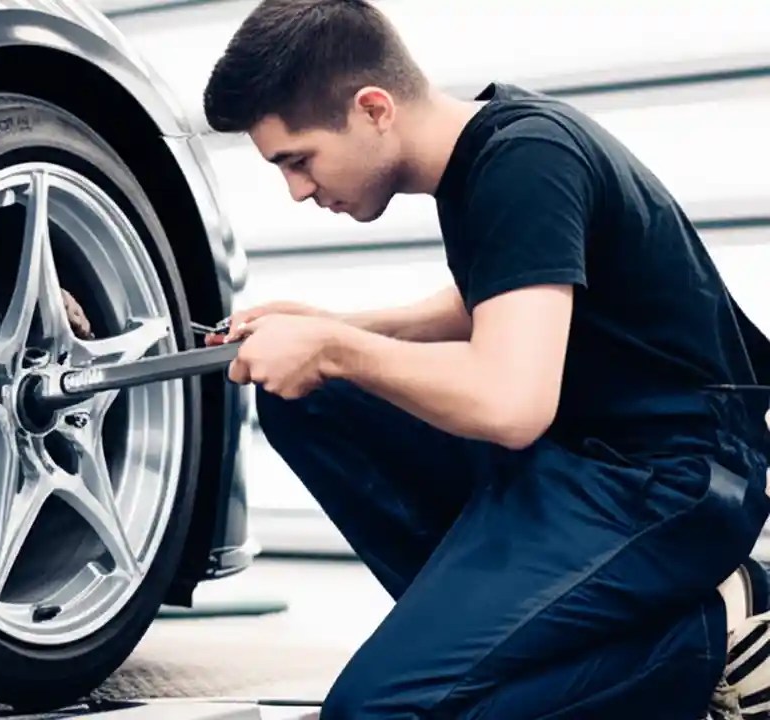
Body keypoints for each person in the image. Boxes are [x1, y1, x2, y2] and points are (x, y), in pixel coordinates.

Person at [200, 0, 770, 717]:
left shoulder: (526, 158)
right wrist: (335, 326)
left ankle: (709, 636)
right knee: (307, 397)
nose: (298, 190)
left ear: (374, 108)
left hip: (667, 480)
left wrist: (337, 347)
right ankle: (489, 649)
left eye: (300, 159)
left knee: (378, 713)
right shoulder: (488, 152)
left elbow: (510, 403)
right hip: (580, 461)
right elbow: (504, 296)